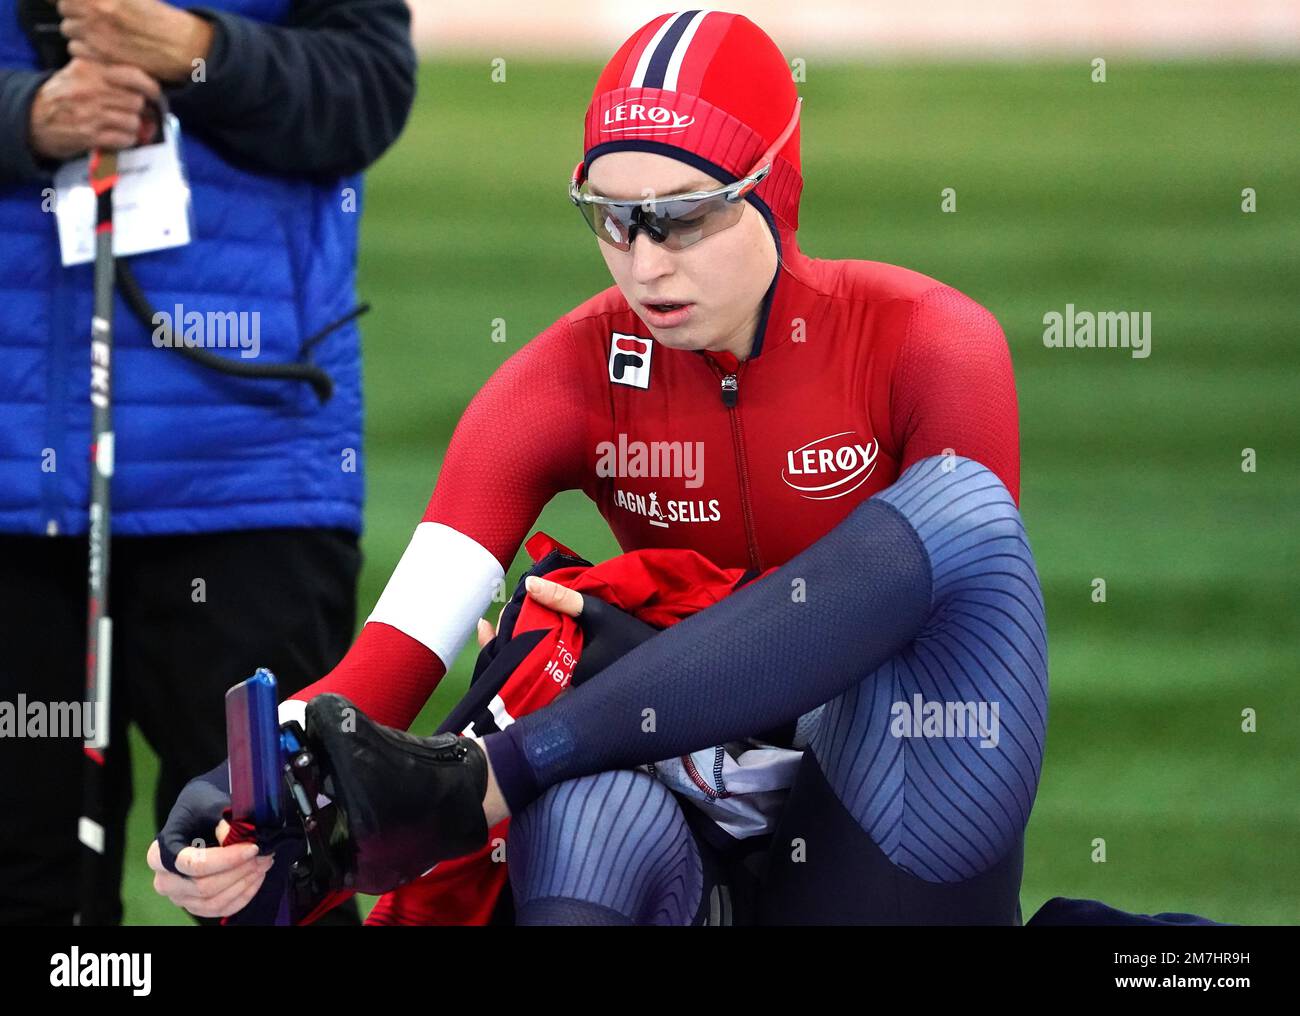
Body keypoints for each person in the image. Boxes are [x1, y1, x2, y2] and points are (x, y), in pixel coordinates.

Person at [150, 10, 1046, 925]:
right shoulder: (561, 377)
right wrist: (247, 780)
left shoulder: (931, 342)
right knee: (580, 811)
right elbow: (403, 645)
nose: (645, 262)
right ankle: (512, 776)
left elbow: (946, 648)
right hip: (697, 824)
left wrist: (650, 665)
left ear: (774, 186)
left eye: (683, 218)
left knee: (964, 512)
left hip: (889, 826)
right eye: (611, 219)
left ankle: (489, 778)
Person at [0, 0, 415, 924]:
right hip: (14, 486)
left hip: (245, 470)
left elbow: (367, 91)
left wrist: (198, 53)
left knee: (268, 874)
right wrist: (24, 117)